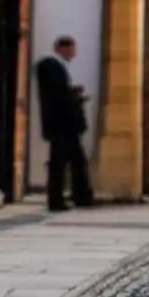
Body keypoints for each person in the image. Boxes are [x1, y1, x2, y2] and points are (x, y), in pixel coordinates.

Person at [36, 35, 93, 211]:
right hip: (62, 126)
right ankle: (61, 199)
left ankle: (79, 195)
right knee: (60, 164)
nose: (73, 55)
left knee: (73, 162)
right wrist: (74, 97)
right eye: (72, 51)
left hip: (63, 126)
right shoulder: (51, 66)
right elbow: (57, 98)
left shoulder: (55, 67)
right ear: (62, 48)